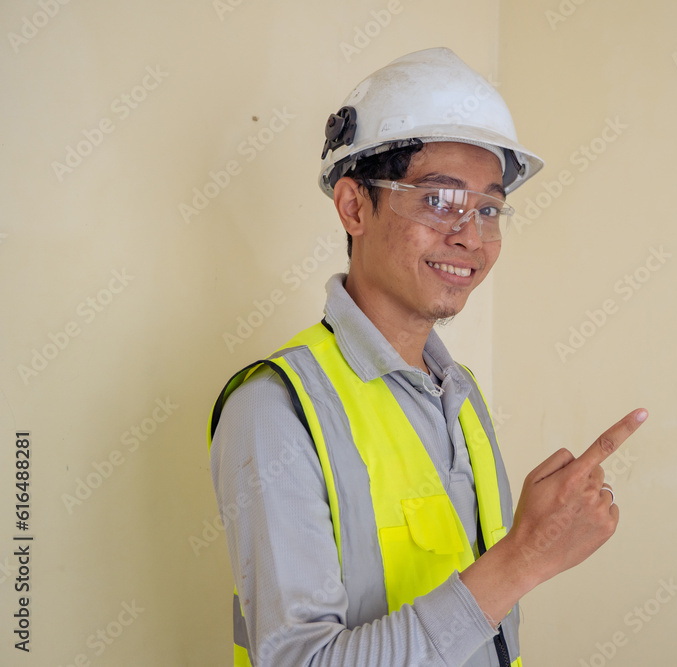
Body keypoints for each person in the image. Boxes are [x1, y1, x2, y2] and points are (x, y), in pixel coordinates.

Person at [208, 47, 647, 667]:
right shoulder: (277, 407)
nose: (469, 234)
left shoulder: (459, 394)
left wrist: (531, 546)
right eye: (440, 200)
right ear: (355, 206)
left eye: (489, 209)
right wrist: (525, 557)